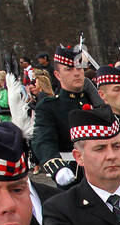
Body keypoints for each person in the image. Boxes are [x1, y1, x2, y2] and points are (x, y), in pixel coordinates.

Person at [31, 46, 98, 187]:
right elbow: (43, 140)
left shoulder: (95, 100)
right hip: (74, 175)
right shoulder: (50, 106)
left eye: (79, 68)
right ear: (57, 75)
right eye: (69, 69)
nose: (76, 73)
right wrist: (57, 168)